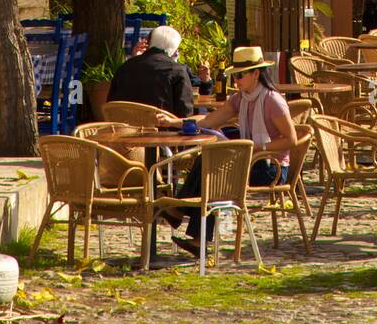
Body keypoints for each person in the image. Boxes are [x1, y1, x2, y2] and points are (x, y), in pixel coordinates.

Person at [170, 46, 297, 255]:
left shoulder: (272, 101)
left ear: (256, 74)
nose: (236, 81)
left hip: (271, 168)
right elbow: (210, 120)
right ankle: (195, 234)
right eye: (234, 76)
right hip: (250, 161)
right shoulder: (241, 98)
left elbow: (291, 140)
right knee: (209, 162)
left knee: (215, 167)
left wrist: (258, 147)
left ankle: (182, 213)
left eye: (240, 75)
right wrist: (175, 123)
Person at [107, 25, 194, 117]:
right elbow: (185, 113)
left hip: (123, 128)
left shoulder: (125, 67)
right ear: (174, 49)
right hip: (161, 128)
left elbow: (111, 104)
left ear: (149, 43)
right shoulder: (177, 71)